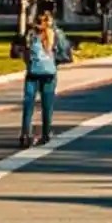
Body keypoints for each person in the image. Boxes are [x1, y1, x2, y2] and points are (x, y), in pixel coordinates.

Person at [19, 11, 70, 148]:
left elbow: (23, 51)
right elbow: (64, 52)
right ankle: (46, 134)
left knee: (28, 104)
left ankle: (25, 134)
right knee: (47, 105)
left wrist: (28, 64)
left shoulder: (30, 34)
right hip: (49, 74)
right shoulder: (56, 34)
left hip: (32, 73)